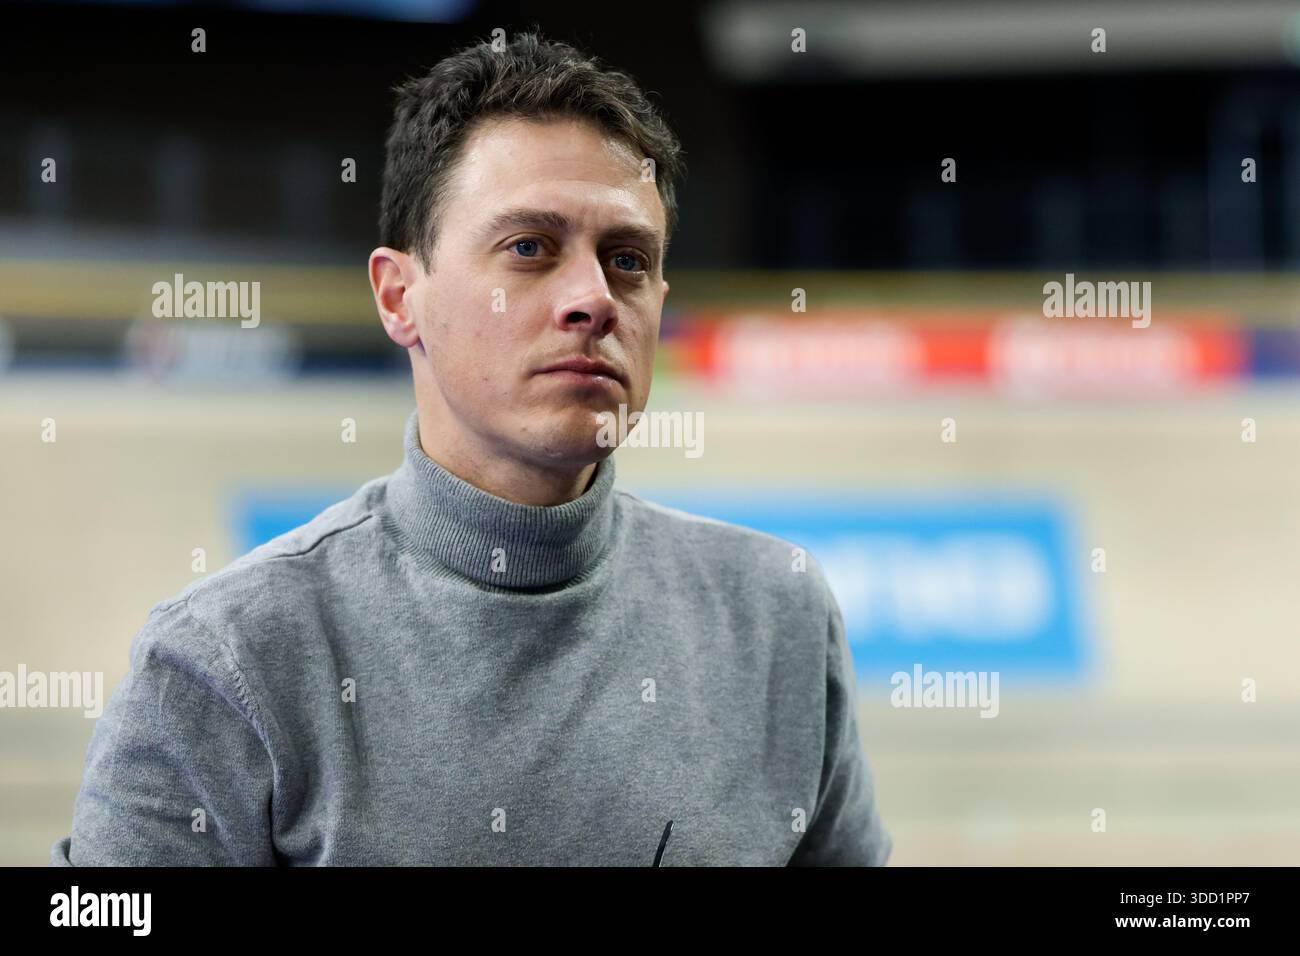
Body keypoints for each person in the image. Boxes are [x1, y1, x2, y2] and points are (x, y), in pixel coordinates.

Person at [51, 31, 891, 866]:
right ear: (399, 295)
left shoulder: (776, 618)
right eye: (530, 248)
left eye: (628, 260)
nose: (593, 299)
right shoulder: (223, 662)